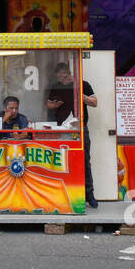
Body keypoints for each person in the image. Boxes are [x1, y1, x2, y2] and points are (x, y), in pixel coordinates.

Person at [46, 62, 100, 208]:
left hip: (80, 128)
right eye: (59, 76)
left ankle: (89, 195)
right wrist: (55, 105)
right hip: (61, 129)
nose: (62, 79)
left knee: (84, 160)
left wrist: (80, 94)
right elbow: (48, 104)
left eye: (64, 75)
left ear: (69, 72)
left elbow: (94, 102)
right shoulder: (56, 86)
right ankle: (65, 194)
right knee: (62, 161)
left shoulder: (83, 84)